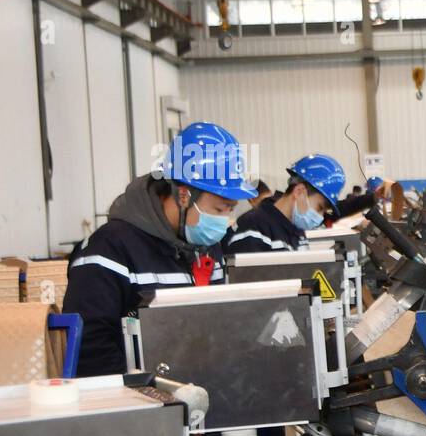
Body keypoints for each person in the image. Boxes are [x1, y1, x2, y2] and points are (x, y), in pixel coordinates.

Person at [64, 120, 257, 377]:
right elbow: (90, 347)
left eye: (231, 210)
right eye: (220, 209)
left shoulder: (207, 246)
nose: (224, 221)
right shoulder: (109, 249)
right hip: (140, 407)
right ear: (184, 195)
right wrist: (151, 396)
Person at [225, 154, 346, 254]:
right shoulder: (255, 227)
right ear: (299, 192)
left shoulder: (295, 230)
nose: (320, 217)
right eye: (320, 208)